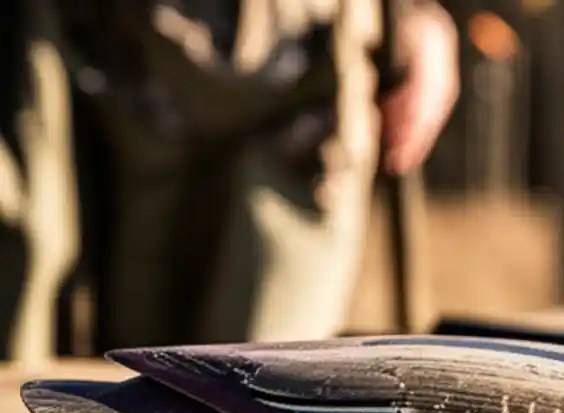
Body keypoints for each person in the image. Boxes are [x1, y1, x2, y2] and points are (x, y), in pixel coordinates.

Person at [1, 0, 459, 361]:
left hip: (300, 94)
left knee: (258, 411)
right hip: (106, 85)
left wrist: (420, 16)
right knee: (121, 403)